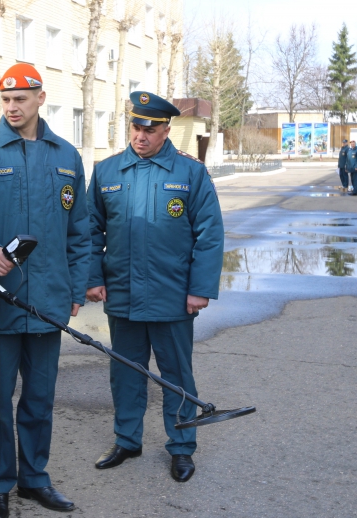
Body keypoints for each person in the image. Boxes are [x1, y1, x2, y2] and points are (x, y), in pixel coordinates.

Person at [0, 63, 90, 518]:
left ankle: (34, 477)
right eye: (5, 100)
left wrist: (76, 287)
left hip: (49, 300)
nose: (11, 107)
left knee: (40, 396)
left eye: (21, 99)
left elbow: (80, 231)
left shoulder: (66, 156)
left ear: (40, 99)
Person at [86, 91, 224, 483]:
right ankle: (127, 440)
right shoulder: (108, 172)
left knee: (176, 374)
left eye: (150, 129)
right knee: (125, 373)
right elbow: (89, 230)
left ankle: (181, 448)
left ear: (166, 130)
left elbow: (210, 235)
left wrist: (199, 289)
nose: (141, 135)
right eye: (136, 126)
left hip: (172, 295)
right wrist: (93, 278)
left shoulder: (190, 173)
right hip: (123, 294)